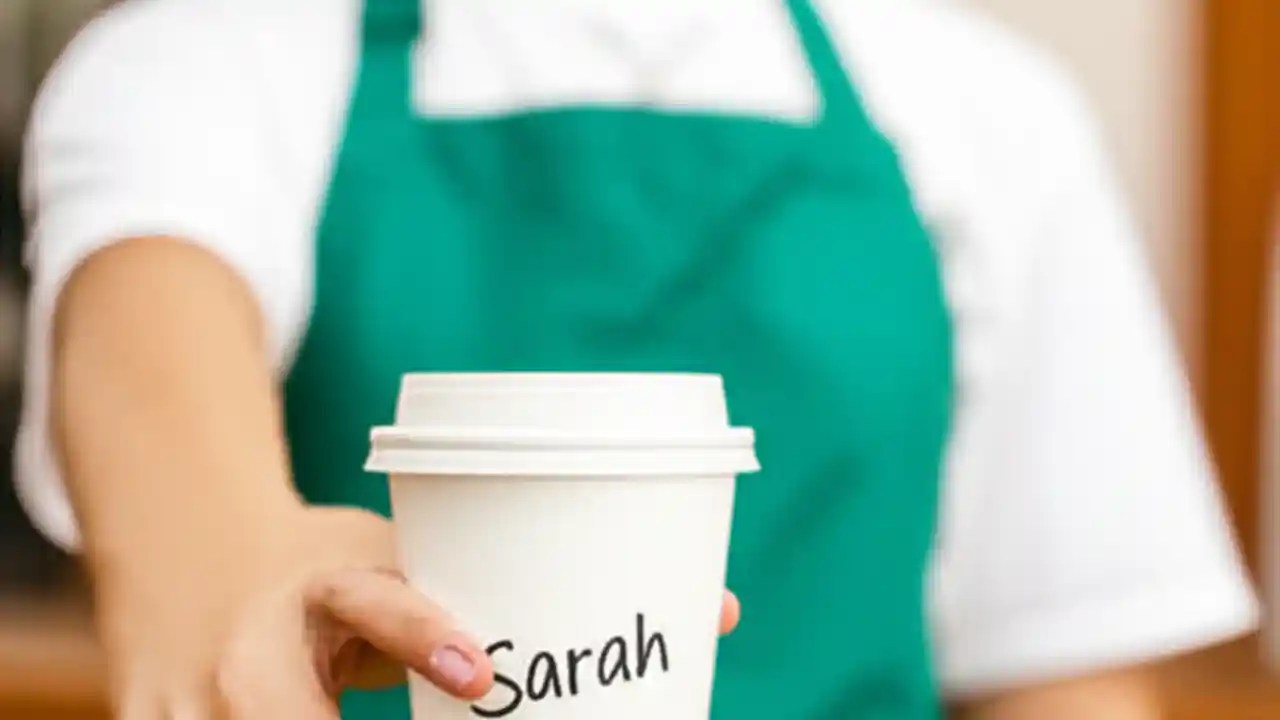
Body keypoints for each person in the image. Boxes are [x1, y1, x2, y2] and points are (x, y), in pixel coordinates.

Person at [16, 0, 1258, 717]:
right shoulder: (210, 56)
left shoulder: (987, 107)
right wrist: (236, 579)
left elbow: (1064, 675)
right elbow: (151, 363)